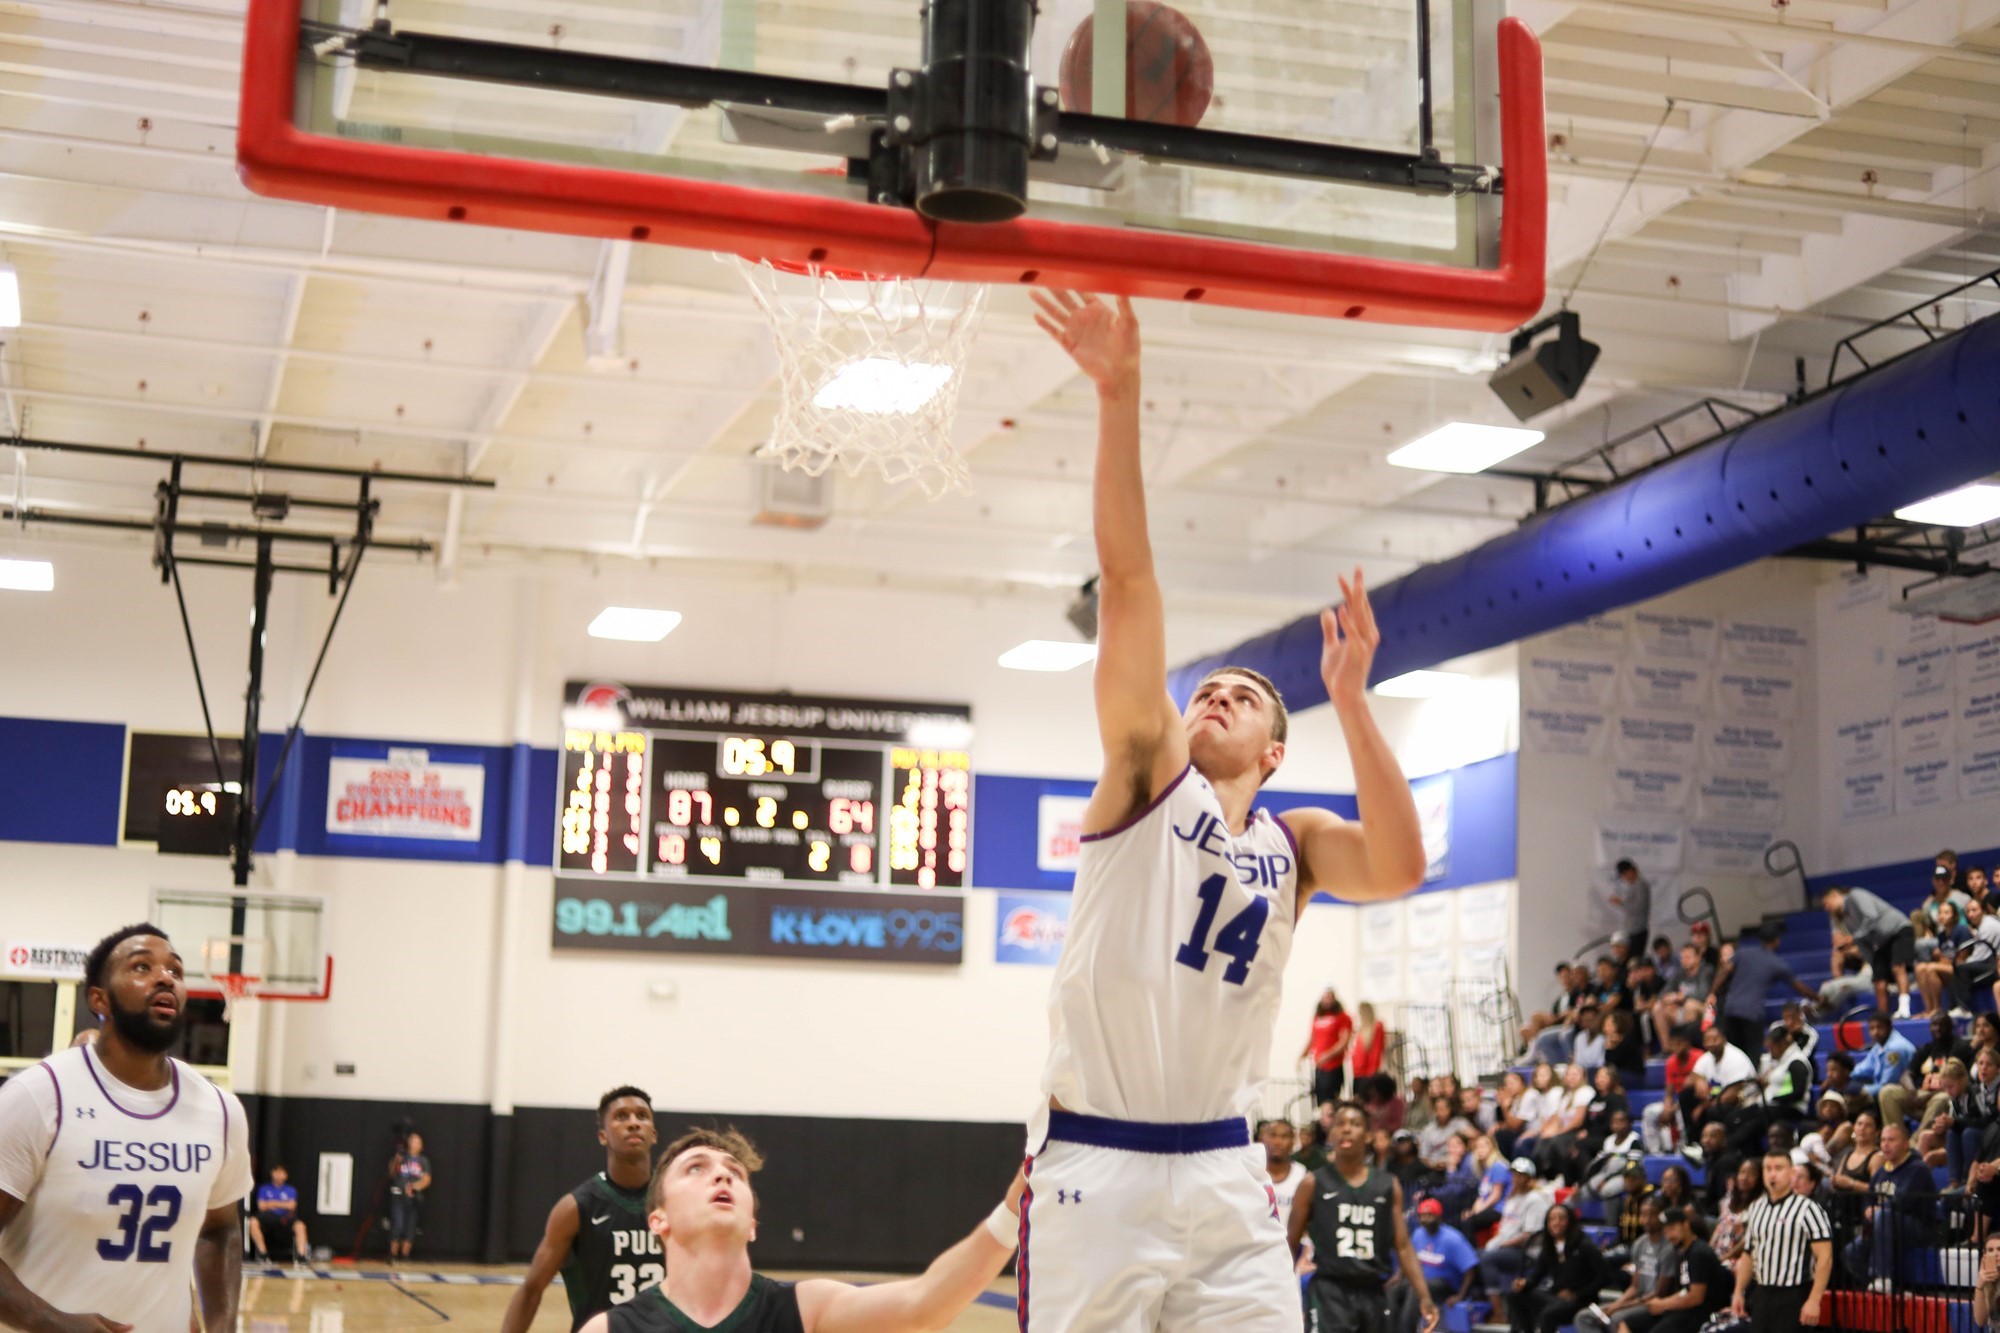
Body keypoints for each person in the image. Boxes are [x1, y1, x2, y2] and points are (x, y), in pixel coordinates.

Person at [1023, 290, 1427, 1333]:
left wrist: (1351, 699)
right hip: (1095, 1161)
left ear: (1276, 751)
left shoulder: (1292, 844)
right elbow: (1126, 581)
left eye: (1243, 695)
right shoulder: (1145, 776)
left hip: (1222, 1169)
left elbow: (1398, 864)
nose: (1215, 695)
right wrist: (1120, 392)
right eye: (1208, 686)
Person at [0, 922, 250, 1332]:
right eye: (141, 967)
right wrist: (51, 1322)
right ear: (100, 999)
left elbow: (220, 1228)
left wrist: (221, 1325)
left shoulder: (220, 1110)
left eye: (175, 970)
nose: (164, 977)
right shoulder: (38, 1096)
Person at [583, 1128, 1021, 1333]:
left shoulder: (806, 1309)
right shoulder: (611, 1330)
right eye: (695, 1169)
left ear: (752, 1224)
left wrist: (1015, 1208)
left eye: (734, 1172)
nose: (722, 1177)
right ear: (658, 1219)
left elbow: (925, 1306)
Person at [502, 1085, 662, 1332]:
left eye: (642, 1115)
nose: (633, 1123)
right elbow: (531, 1289)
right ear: (602, 1135)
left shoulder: (675, 1201)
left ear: (653, 1133)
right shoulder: (575, 1208)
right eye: (621, 1117)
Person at [1290, 1102, 1438, 1333]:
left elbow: (1403, 1246)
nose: (1346, 1129)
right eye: (1340, 1124)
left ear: (1368, 1136)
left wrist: (1423, 1295)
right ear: (1331, 1134)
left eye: (1355, 1124)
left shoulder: (1388, 1185)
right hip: (1330, 1291)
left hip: (1373, 1291)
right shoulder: (1312, 1183)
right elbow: (1290, 1244)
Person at [1731, 1149, 1832, 1333]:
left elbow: (1825, 1257)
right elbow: (1748, 1254)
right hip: (1761, 1293)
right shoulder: (1756, 1207)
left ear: (1792, 1173)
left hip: (1794, 1293)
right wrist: (1738, 1291)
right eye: (1767, 1168)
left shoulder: (1808, 1209)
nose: (1772, 1173)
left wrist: (1814, 1300)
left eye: (1778, 1168)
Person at [1842, 1120, 1932, 1289]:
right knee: (1852, 1251)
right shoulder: (1882, 1171)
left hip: (1916, 1227)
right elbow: (1870, 1197)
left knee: (1884, 1215)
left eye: (1891, 1140)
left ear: (1905, 1144)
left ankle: (1883, 1276)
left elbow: (1905, 1201)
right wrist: (1868, 1208)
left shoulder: (1917, 1168)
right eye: (1883, 1140)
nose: (1885, 1145)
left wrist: (1879, 1210)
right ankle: (1885, 1289)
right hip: (1883, 1228)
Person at [1710, 925, 1817, 1060]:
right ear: (1777, 941)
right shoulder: (1776, 963)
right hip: (1752, 1013)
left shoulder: (1743, 953)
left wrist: (1712, 992)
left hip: (1731, 1010)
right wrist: (1818, 998)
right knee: (1753, 1053)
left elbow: (1724, 970)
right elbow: (1799, 987)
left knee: (1734, 1053)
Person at [1578, 1195, 1673, 1333]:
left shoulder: (1668, 1247)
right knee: (1584, 1317)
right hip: (1637, 1301)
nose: (1646, 1220)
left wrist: (1617, 1307)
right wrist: (1617, 1304)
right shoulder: (1640, 1243)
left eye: (1652, 1215)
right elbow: (1635, 1286)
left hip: (1654, 1304)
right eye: (1643, 1214)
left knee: (1616, 1318)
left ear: (1662, 1217)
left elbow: (1659, 1293)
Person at [1475, 1158, 1554, 1323]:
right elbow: (1505, 1229)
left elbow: (1530, 1235)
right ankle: (1484, 1307)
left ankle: (1499, 1313)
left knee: (1488, 1259)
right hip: (1507, 1247)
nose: (1516, 1178)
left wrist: (1503, 1245)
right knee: (1474, 1257)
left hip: (1528, 1252)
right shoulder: (1512, 1198)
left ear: (1529, 1177)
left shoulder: (1535, 1199)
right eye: (1514, 1175)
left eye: (1520, 1175)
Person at [1823, 885, 1919, 1018]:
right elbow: (1862, 943)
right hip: (1881, 942)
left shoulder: (1855, 895)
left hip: (1899, 930)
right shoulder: (1846, 920)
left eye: (1826, 904)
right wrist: (1874, 964)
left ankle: (1904, 1009)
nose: (1826, 908)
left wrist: (1852, 939)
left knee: (1898, 967)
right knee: (1878, 980)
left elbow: (1871, 917)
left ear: (1834, 895)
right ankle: (1883, 1017)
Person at [1507, 1203, 1599, 1333]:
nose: (1556, 1223)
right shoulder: (1550, 1247)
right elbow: (1537, 1275)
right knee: (1515, 1295)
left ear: (1570, 1221)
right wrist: (1525, 1283)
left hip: (1581, 1301)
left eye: (1561, 1218)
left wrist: (1578, 1294)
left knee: (1548, 1314)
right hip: (1556, 1298)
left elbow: (1604, 1278)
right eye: (1552, 1219)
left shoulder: (1584, 1245)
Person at [1645, 1207, 1732, 1333]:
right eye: (1666, 1231)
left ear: (1686, 1224)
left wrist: (1663, 1304)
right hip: (1689, 1311)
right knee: (1631, 1321)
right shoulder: (1683, 1252)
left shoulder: (1698, 1253)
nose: (1669, 1235)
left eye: (1672, 1228)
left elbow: (1696, 1297)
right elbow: (1685, 1291)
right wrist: (1661, 1303)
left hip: (1705, 1314)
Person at [1886, 1010, 1974, 1130]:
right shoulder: (1926, 1048)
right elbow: (1906, 1074)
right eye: (1934, 1025)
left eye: (1942, 1024)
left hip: (1946, 1095)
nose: (1937, 1028)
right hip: (1921, 1094)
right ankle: (1894, 1137)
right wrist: (1912, 1092)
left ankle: (1915, 1143)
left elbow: (1960, 1083)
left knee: (1941, 1098)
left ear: (1951, 1027)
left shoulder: (1961, 1047)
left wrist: (1928, 1096)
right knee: (1888, 1092)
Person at [1679, 1026, 1755, 1145]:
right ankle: (1693, 1143)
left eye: (1715, 1039)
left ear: (1724, 1039)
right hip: (1717, 1098)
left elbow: (1730, 1097)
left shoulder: (1735, 1058)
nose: (1711, 1043)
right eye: (1707, 1040)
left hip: (1743, 1101)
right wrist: (1699, 1081)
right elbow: (1690, 1079)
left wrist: (1703, 1107)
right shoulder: (1708, 1057)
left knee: (1713, 1111)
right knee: (1685, 1096)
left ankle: (1716, 1145)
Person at [1408, 1197, 1479, 1308]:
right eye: (1422, 1216)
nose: (1425, 1219)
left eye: (1429, 1216)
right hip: (1424, 1280)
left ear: (1439, 1217)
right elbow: (1408, 1258)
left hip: (1447, 1285)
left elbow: (1470, 1269)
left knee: (1417, 1289)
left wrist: (1460, 1296)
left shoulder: (1453, 1238)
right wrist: (1397, 1277)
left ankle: (1408, 1325)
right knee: (1397, 1289)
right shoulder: (1418, 1234)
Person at [1916, 900, 1974, 1018]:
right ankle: (1929, 1009)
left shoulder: (1961, 930)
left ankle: (1937, 1008)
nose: (1942, 916)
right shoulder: (1941, 935)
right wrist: (1943, 960)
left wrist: (1943, 960)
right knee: (1920, 968)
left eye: (1946, 912)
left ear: (1954, 915)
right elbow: (1941, 958)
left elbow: (1962, 959)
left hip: (1961, 970)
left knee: (1930, 968)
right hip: (1947, 966)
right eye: (1940, 913)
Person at [1851, 1011, 1917, 1113]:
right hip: (1885, 1090)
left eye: (1879, 1027)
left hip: (1904, 1092)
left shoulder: (1895, 1048)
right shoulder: (1879, 1045)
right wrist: (1845, 1076)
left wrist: (1862, 1090)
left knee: (1855, 1098)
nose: (1875, 1032)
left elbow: (1888, 1083)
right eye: (1872, 1029)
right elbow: (1863, 1068)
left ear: (1889, 1027)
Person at [248, 1164, 311, 1269]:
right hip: (268, 1217)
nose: (279, 1175)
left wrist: (272, 1203)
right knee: (253, 1222)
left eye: (282, 1173)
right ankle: (263, 1255)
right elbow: (261, 1206)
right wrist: (282, 1204)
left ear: (285, 1176)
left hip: (285, 1217)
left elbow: (291, 1206)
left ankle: (301, 1257)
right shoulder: (264, 1188)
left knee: (300, 1226)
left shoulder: (290, 1190)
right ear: (272, 1174)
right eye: (277, 1172)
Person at [386, 1131, 432, 1263]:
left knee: (410, 1227)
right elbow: (391, 1173)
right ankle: (392, 1254)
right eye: (412, 1140)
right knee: (397, 1224)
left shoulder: (423, 1161)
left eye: (417, 1141)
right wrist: (396, 1161)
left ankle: (405, 1255)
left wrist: (414, 1186)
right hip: (398, 1196)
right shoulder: (401, 1156)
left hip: (414, 1198)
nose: (414, 1143)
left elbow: (427, 1179)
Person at [1305, 989, 1357, 1107]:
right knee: (1320, 1101)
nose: (1327, 999)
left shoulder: (1343, 1017)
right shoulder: (1317, 1018)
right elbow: (1312, 1039)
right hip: (1319, 1067)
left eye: (1330, 996)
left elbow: (1344, 1041)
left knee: (1331, 1102)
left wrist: (1327, 1055)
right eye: (1325, 996)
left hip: (1333, 1067)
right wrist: (1301, 1056)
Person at [1258, 1119, 1311, 1224]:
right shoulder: (1252, 1173)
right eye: (1273, 1136)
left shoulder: (1303, 1176)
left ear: (1293, 1142)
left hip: (1291, 1239)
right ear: (1262, 1139)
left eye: (1284, 1137)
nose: (1278, 1142)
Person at [1610, 860, 1652, 958]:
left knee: (1634, 959)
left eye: (1623, 875)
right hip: (1631, 930)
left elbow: (1639, 907)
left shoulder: (1640, 885)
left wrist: (1622, 903)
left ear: (1630, 871)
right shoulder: (1633, 885)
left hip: (1637, 930)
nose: (1624, 878)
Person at [1352, 1002, 1388, 1088]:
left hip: (1368, 1074)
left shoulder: (1376, 1027)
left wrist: (1372, 1073)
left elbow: (1376, 1052)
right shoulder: (1362, 1029)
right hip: (1358, 1073)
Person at [1970, 1232, 2000, 1333]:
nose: (1995, 1253)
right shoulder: (1987, 1281)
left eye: (1999, 1249)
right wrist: (1980, 1284)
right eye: (1990, 1250)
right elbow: (1980, 1320)